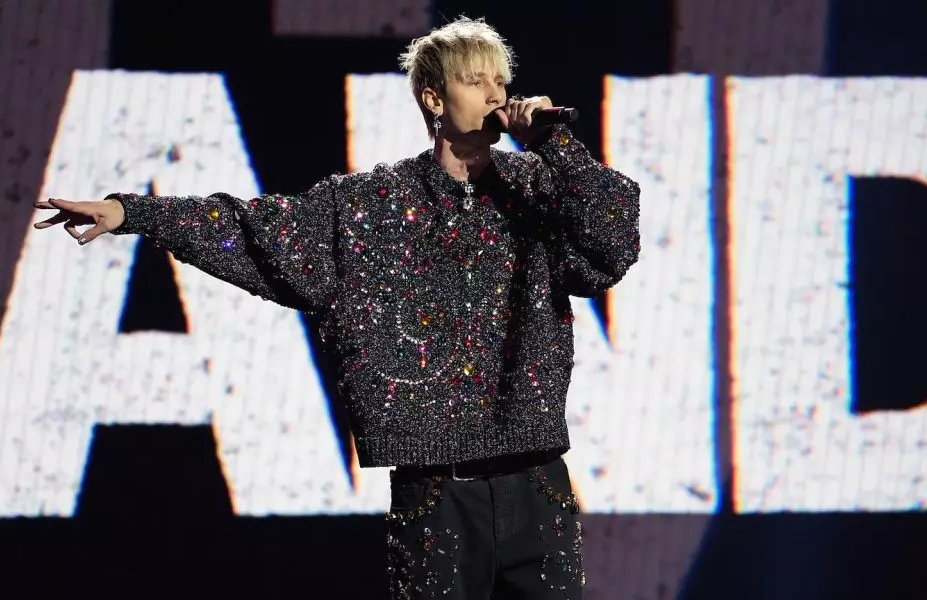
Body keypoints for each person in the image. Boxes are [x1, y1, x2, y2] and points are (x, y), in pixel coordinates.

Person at [33, 15, 640, 600]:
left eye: (501, 81)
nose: (496, 93)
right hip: (436, 498)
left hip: (538, 488)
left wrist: (553, 142)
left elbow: (615, 239)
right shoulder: (368, 208)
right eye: (475, 80)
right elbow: (251, 230)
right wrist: (133, 214)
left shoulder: (539, 190)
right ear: (434, 99)